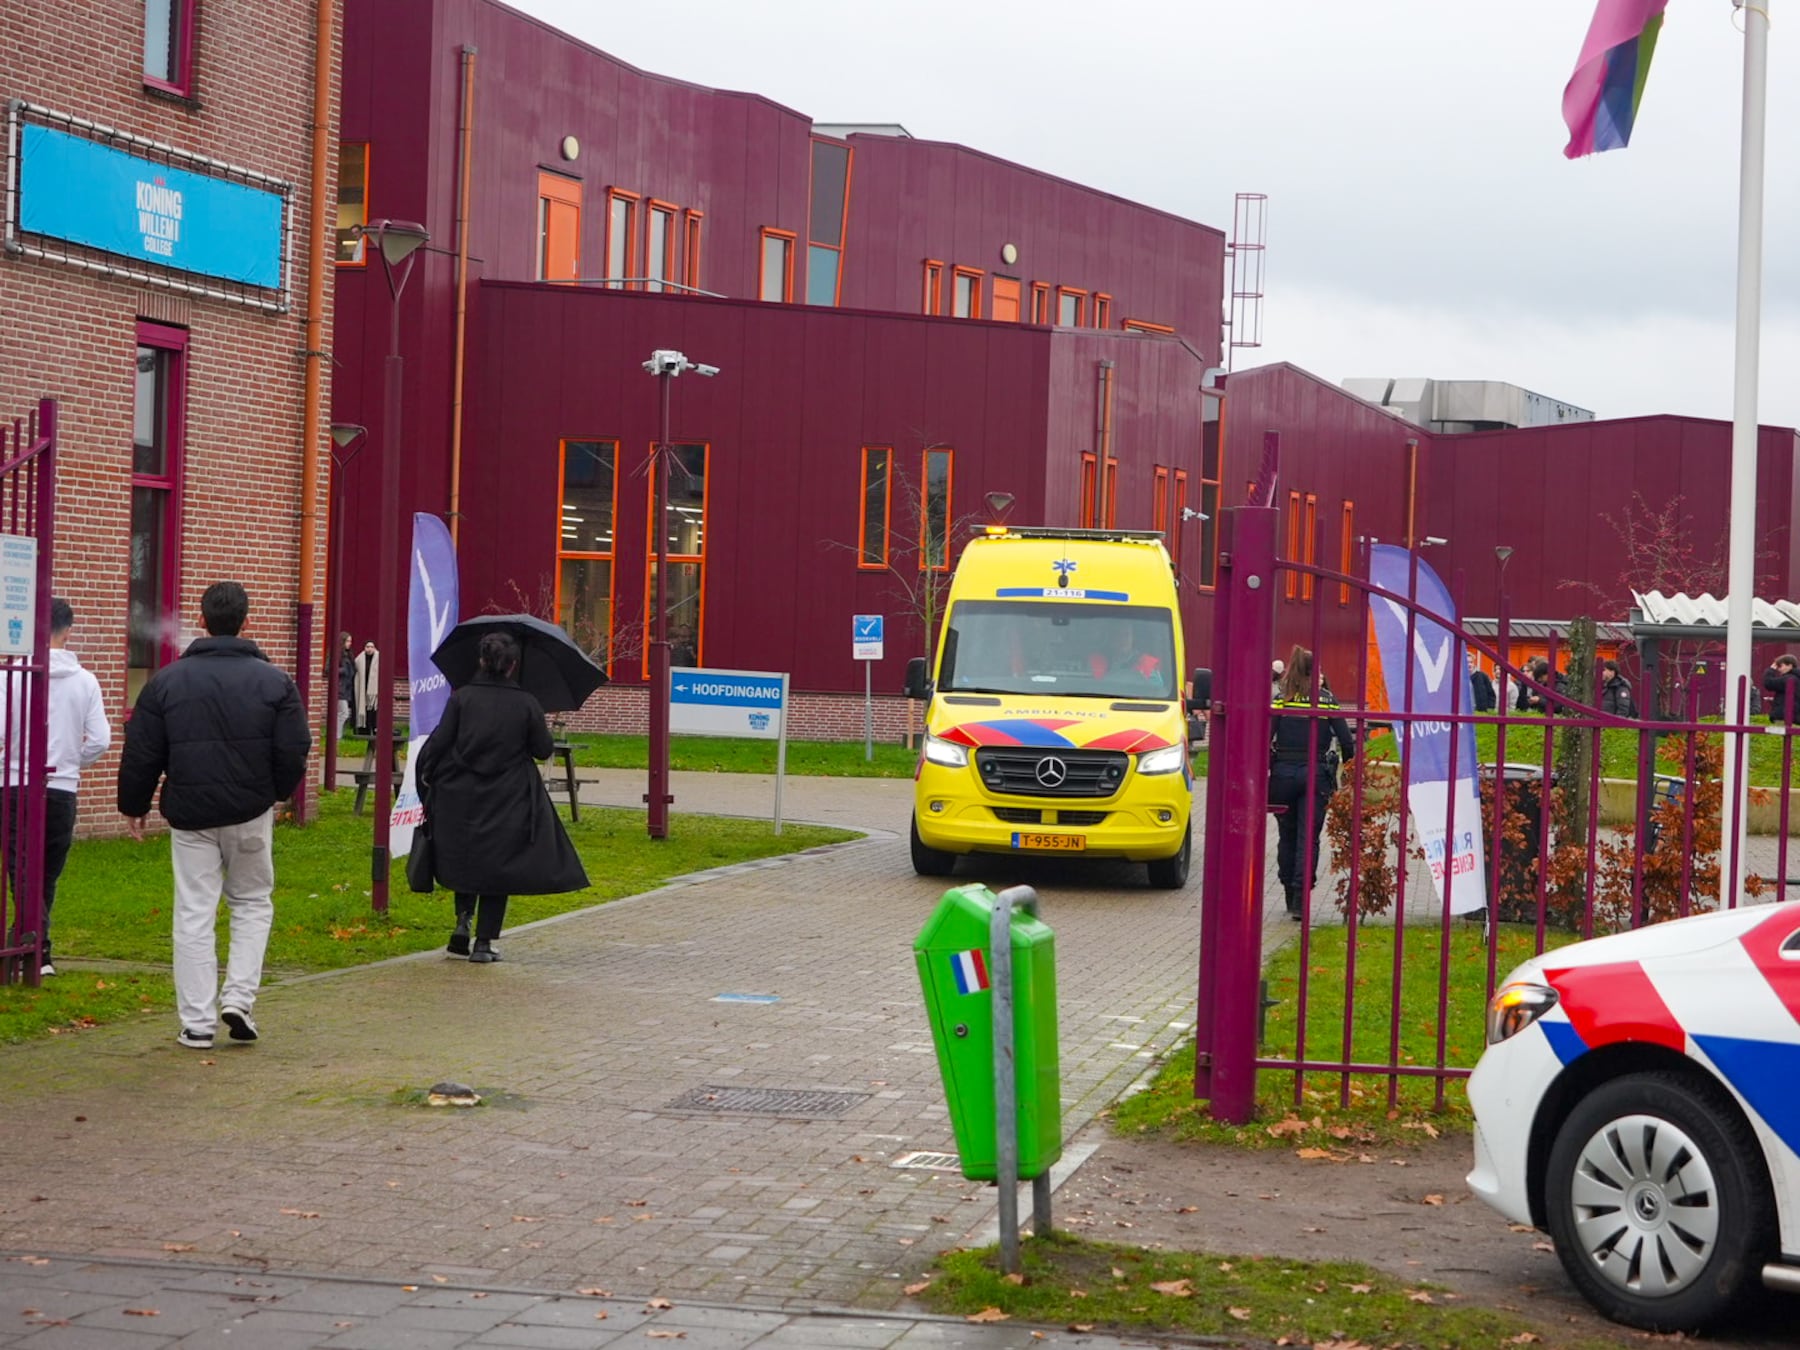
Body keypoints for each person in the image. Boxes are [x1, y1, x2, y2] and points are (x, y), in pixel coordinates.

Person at [116, 581, 311, 1049]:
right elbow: (294, 747)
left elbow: (142, 750)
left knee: (194, 912)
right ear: (247, 621)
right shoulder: (276, 682)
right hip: (250, 812)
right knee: (251, 903)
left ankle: (197, 1023)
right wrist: (274, 793)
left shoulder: (166, 681)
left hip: (191, 816)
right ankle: (238, 999)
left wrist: (134, 805)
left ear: (202, 621)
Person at [416, 631, 587, 963]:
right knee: (498, 864)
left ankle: (462, 923)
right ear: (513, 666)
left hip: (461, 793)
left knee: (467, 858)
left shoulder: (461, 698)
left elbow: (439, 743)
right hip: (509, 795)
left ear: (481, 661)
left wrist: (427, 776)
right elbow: (542, 749)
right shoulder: (526, 703)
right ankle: (484, 942)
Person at [2, 599, 110, 976]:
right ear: (68, 630)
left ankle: (30, 946)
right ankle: (37, 950)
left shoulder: (10, 674)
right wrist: (69, 761)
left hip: (15, 784)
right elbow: (100, 740)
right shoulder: (86, 681)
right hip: (62, 787)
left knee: (21, 867)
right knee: (46, 871)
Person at [1268, 645, 1355, 922]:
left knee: (1287, 834)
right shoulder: (1326, 700)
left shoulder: (1282, 699)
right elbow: (1345, 739)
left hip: (1282, 774)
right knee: (1309, 837)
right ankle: (1300, 897)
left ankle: (1287, 890)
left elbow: (1265, 735)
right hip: (1316, 775)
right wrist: (1349, 768)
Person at [1087, 623, 1161, 685]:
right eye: (1118, 634)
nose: (1122, 639)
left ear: (1132, 638)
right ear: (1110, 638)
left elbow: (1157, 691)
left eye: (1126, 634)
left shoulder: (1148, 662)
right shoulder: (1096, 662)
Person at [351, 640, 380, 736]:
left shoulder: (379, 658)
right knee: (363, 709)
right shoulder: (359, 659)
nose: (369, 649)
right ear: (364, 648)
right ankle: (364, 729)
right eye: (367, 646)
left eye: (371, 647)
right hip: (362, 688)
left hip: (374, 691)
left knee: (373, 710)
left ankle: (374, 728)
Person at [1764, 654, 1799, 723]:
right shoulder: (1797, 678)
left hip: (1784, 716)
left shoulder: (1789, 678)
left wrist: (1771, 670)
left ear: (1790, 666)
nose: (1778, 669)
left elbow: (1769, 684)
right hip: (1795, 716)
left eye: (1780, 666)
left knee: (1781, 732)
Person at [336, 631, 355, 736]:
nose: (349, 643)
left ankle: (338, 735)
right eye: (347, 641)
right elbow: (329, 669)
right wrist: (343, 670)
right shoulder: (337, 654)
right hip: (340, 687)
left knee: (342, 713)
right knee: (343, 713)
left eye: (350, 641)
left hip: (347, 687)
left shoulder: (348, 655)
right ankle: (337, 736)